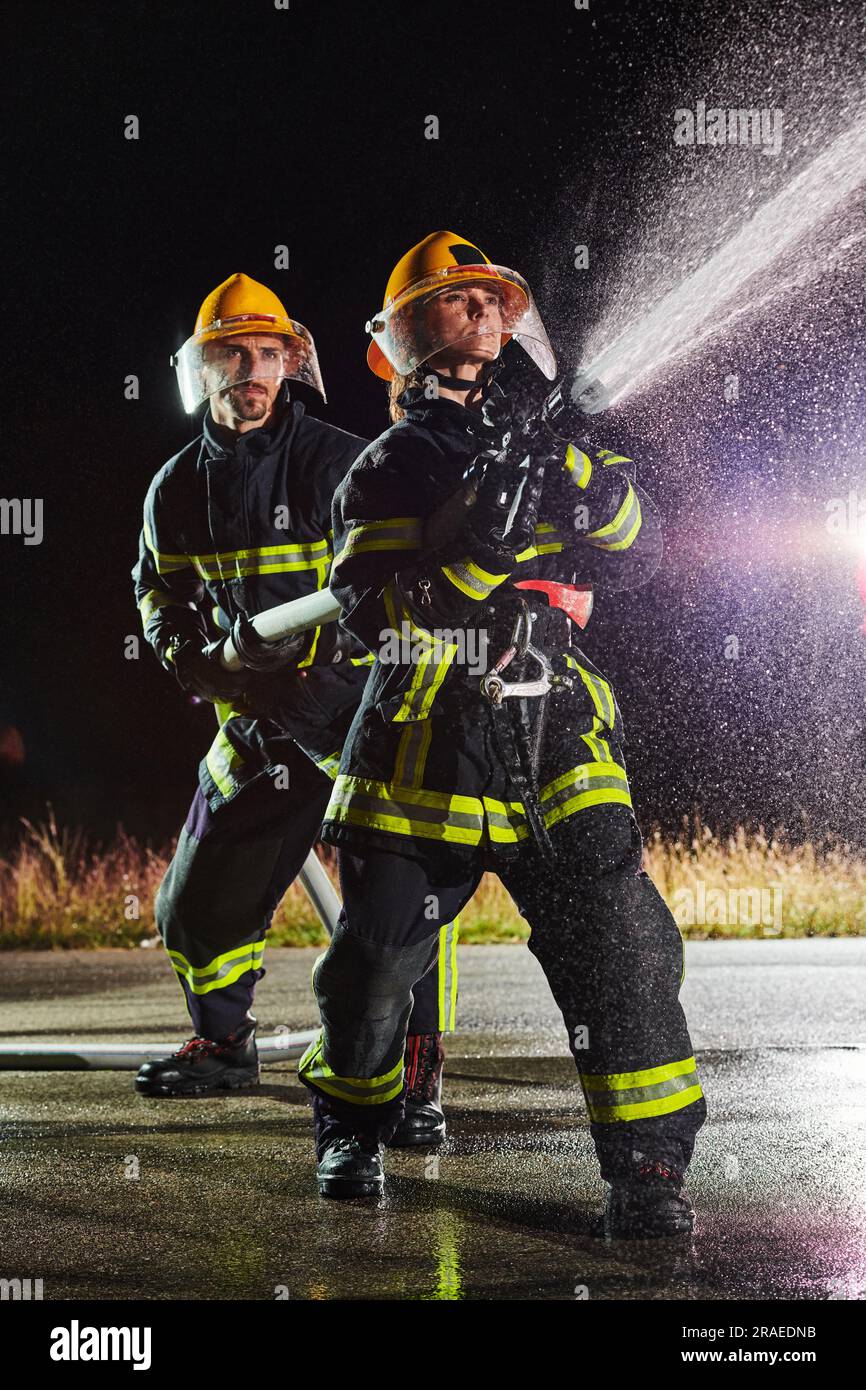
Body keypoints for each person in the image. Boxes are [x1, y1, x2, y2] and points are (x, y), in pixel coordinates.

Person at [298, 232, 707, 1233]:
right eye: (452, 300)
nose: (478, 314)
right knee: (379, 957)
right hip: (420, 733)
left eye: (489, 299)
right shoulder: (386, 468)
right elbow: (381, 620)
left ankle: (647, 1171)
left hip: (554, 724)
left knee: (617, 941)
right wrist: (477, 543)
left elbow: (640, 554)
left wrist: (586, 484)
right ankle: (354, 1121)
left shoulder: (555, 439)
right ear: (405, 334)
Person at [131, 273, 458, 1146]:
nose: (252, 369)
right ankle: (225, 1042)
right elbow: (157, 595)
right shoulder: (175, 490)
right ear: (201, 372)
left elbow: (393, 585)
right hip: (257, 718)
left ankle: (413, 1077)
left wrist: (325, 668)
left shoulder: (342, 461)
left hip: (356, 718)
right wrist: (200, 660)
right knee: (193, 903)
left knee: (395, 909)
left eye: (268, 352)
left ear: (291, 362)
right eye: (232, 353)